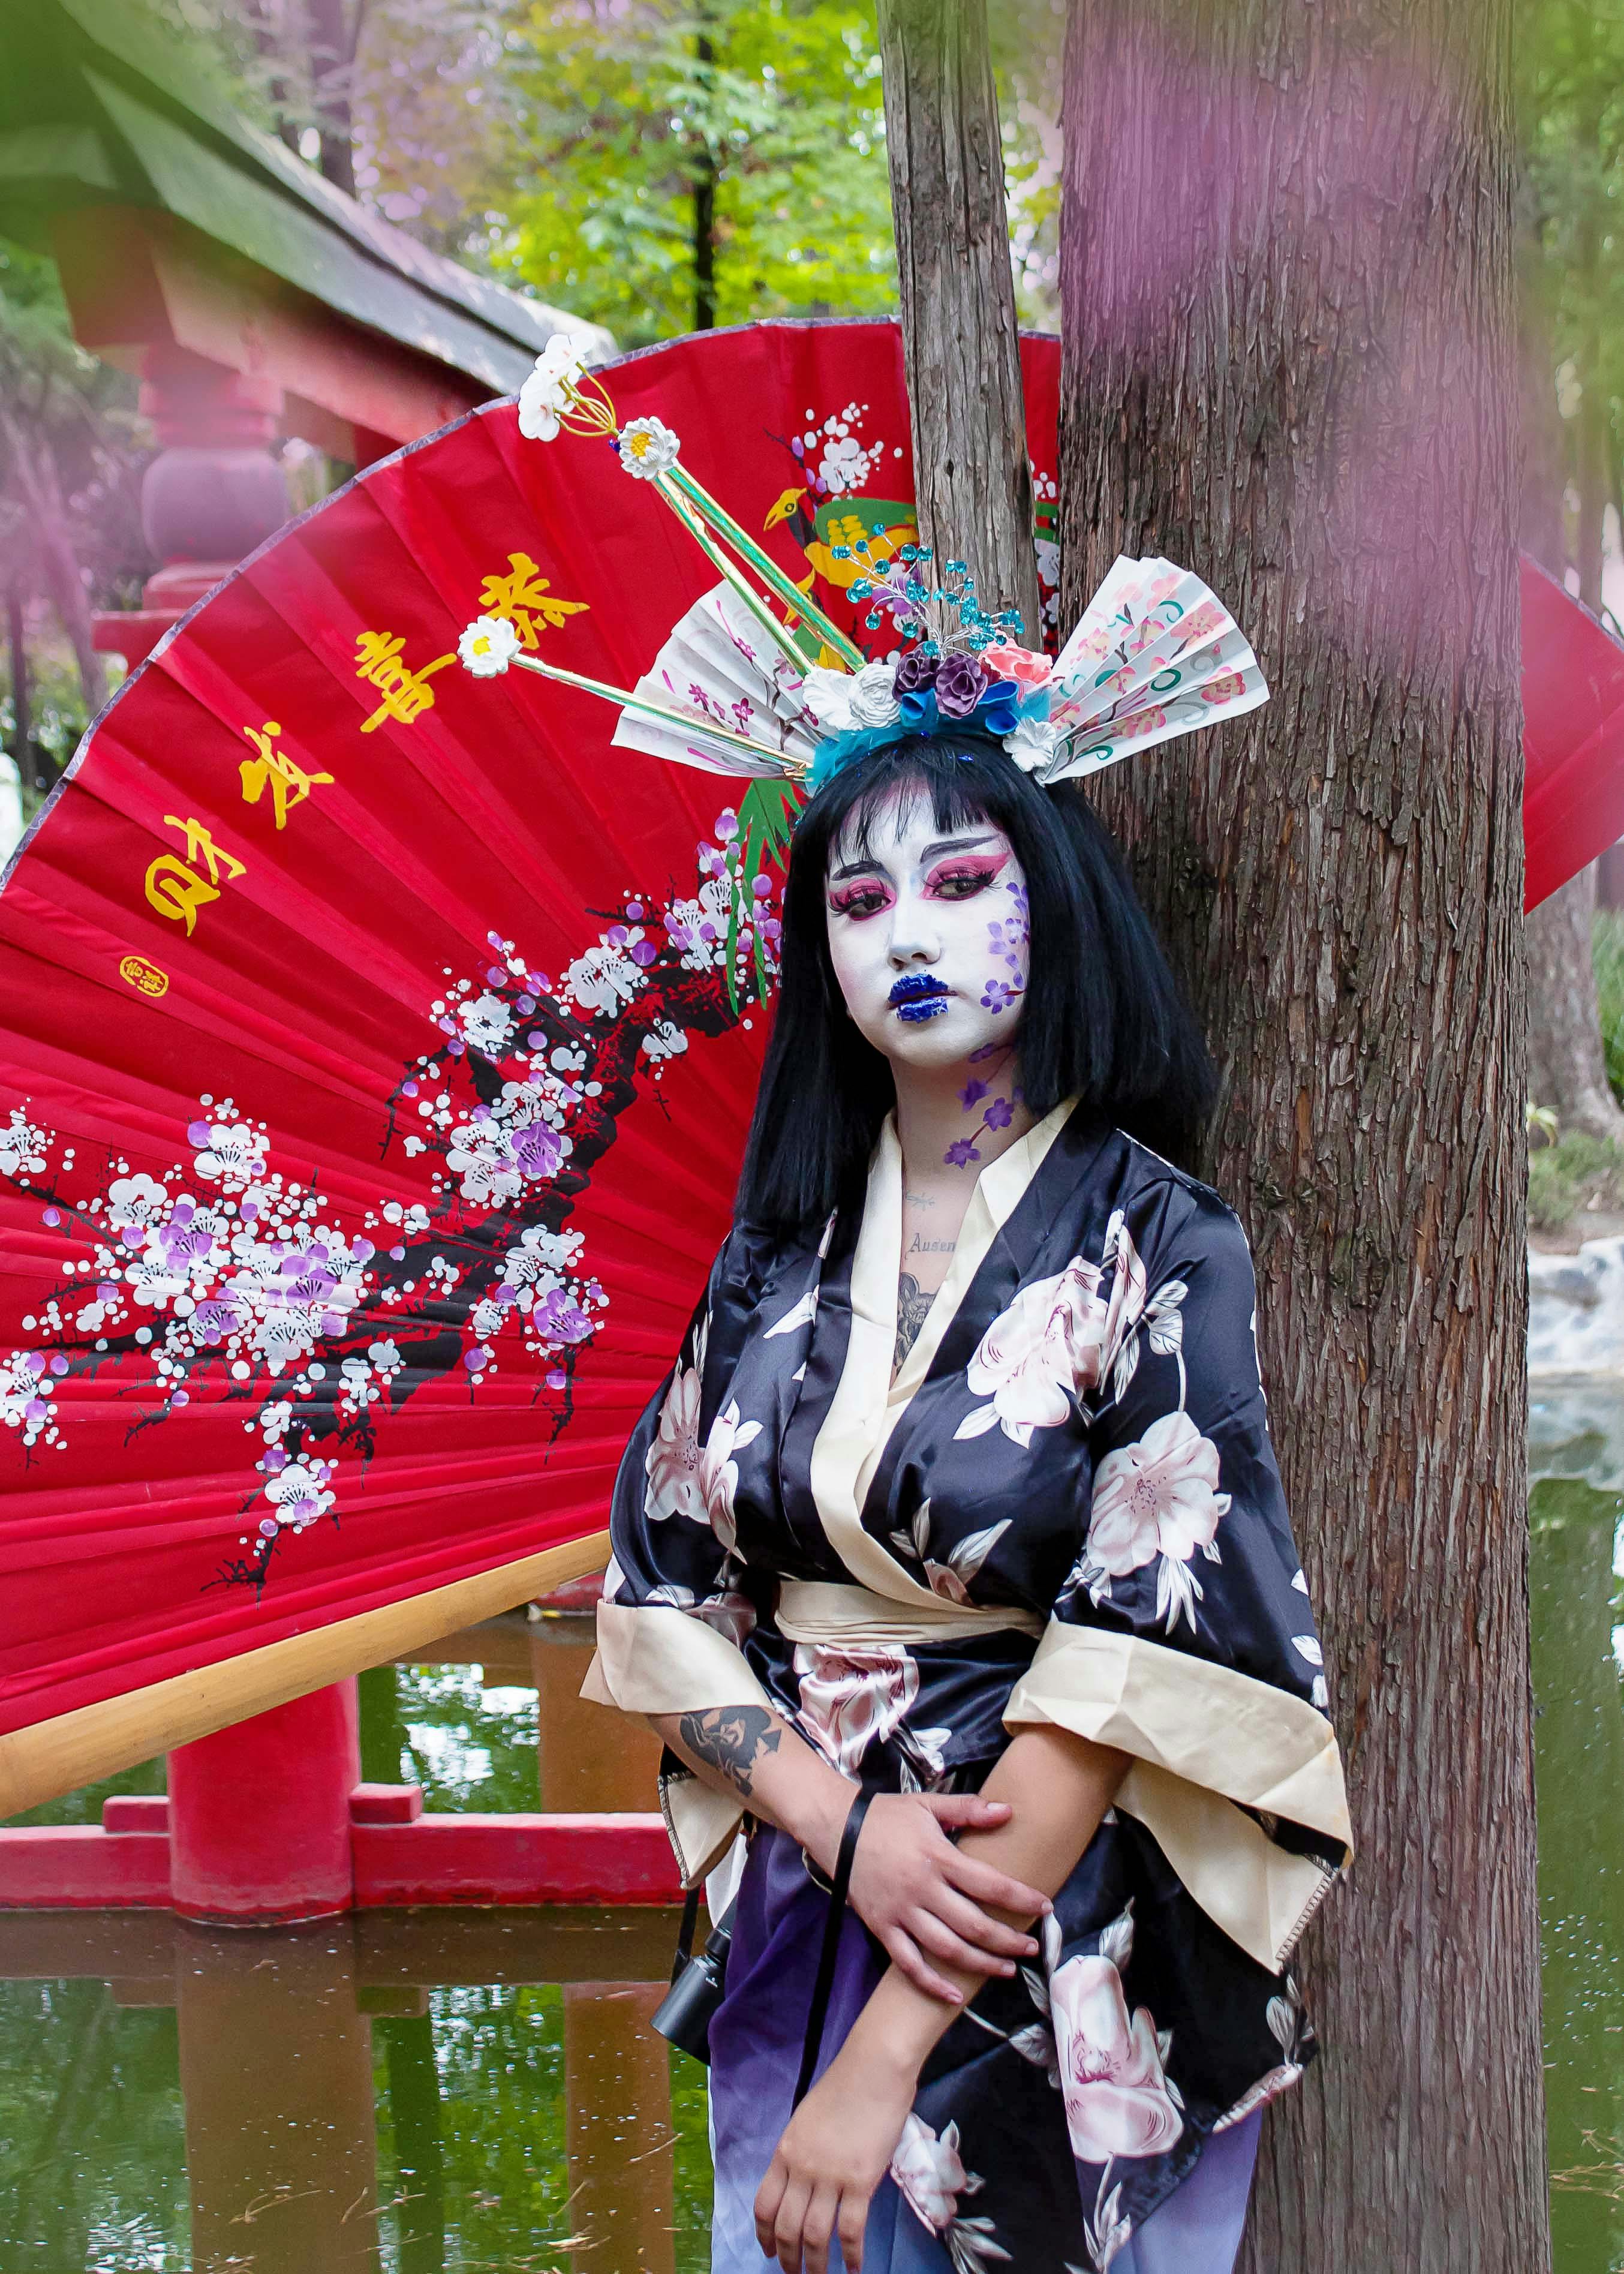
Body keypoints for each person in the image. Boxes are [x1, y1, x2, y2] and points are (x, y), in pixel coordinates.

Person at [581, 731, 1351, 2273]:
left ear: (1053, 904)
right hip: (814, 1881)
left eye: (959, 881)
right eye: (858, 904)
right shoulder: (773, 1258)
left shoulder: (1160, 1238)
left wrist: (884, 2062)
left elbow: (1139, 1659)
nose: (907, 935)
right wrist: (842, 1826)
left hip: (1065, 1904)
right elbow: (660, 1600)